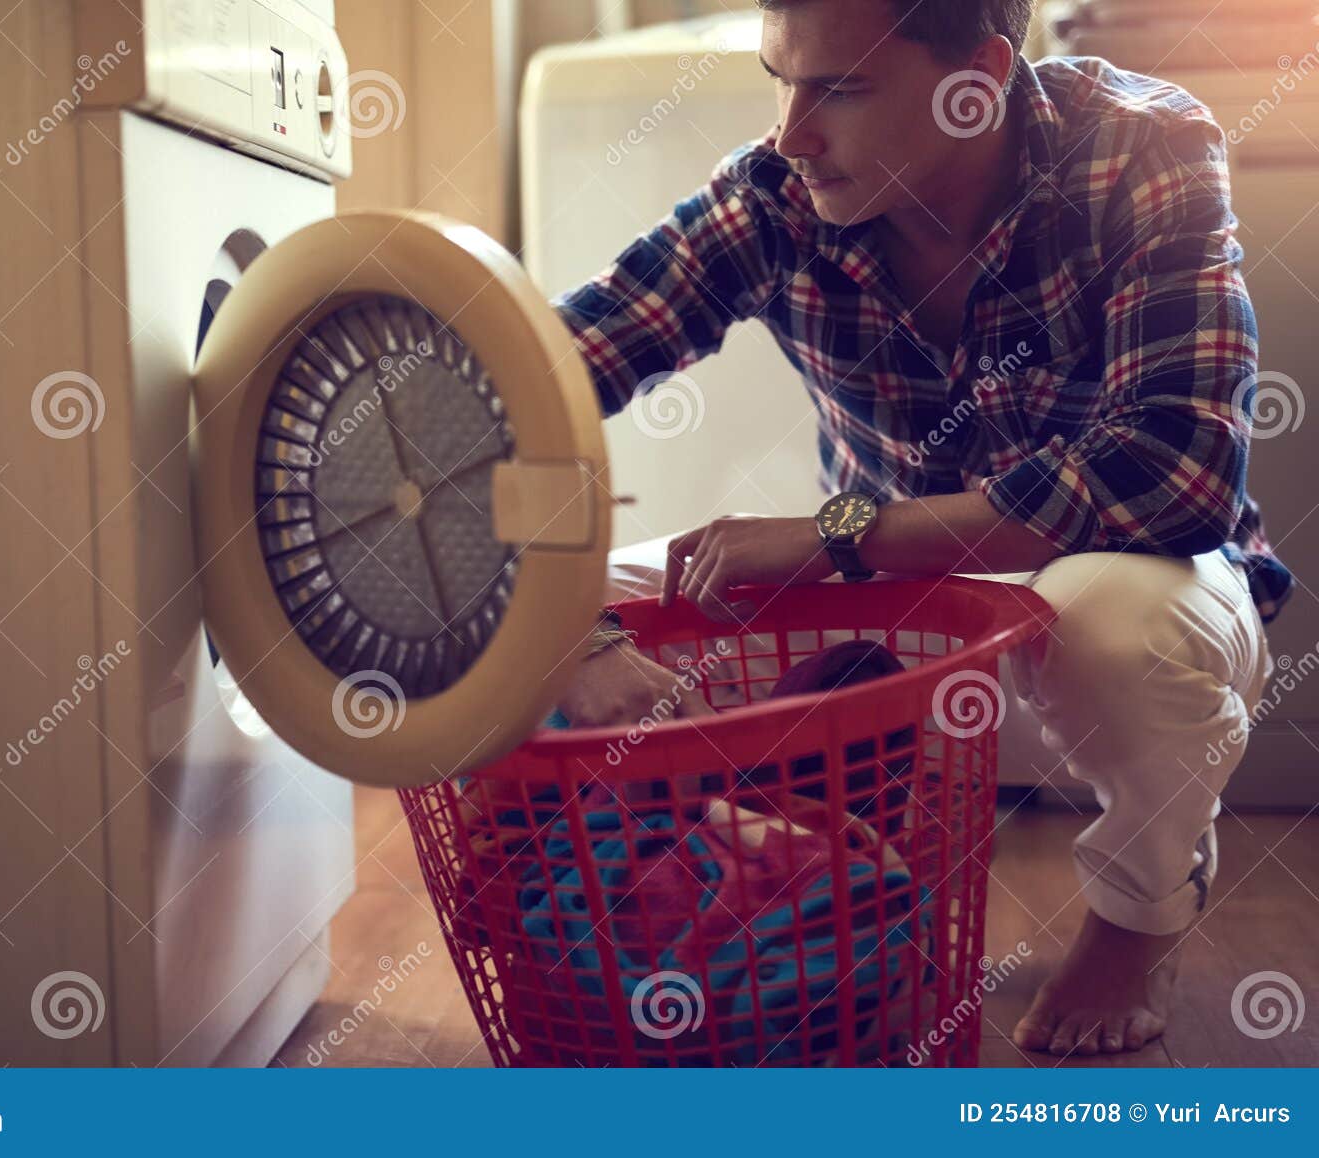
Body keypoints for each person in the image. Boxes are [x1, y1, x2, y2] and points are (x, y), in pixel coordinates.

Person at [551, 0, 1289, 1057]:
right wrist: (572, 623)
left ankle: (1138, 916)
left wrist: (837, 534)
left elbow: (1176, 472)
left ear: (979, 76)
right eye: (780, 79)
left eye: (840, 89)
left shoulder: (1140, 145)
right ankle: (771, 879)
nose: (790, 132)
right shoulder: (774, 195)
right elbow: (547, 372)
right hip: (884, 644)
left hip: (1094, 618)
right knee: (575, 611)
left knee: (1113, 623)